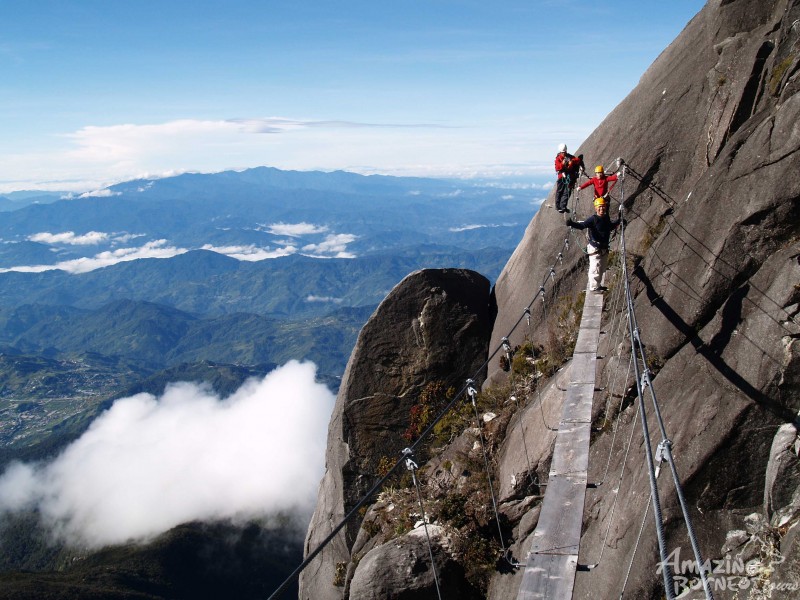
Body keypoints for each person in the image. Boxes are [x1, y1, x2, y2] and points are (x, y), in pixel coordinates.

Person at [566, 197, 622, 292]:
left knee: (602, 268)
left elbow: (610, 227)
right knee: (595, 268)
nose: (601, 209)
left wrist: (619, 221)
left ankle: (598, 285)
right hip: (595, 248)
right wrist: (571, 223)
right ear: (596, 208)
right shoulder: (593, 219)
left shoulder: (605, 217)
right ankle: (594, 287)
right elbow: (582, 226)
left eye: (603, 207)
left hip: (603, 248)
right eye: (599, 207)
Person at [554, 143, 584, 213]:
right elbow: (557, 168)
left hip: (569, 177)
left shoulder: (569, 157)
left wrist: (572, 161)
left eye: (564, 152)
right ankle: (558, 206)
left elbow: (577, 160)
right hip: (562, 177)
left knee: (567, 192)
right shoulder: (558, 159)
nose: (564, 154)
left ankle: (563, 206)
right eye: (562, 152)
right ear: (560, 152)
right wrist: (563, 164)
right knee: (560, 191)